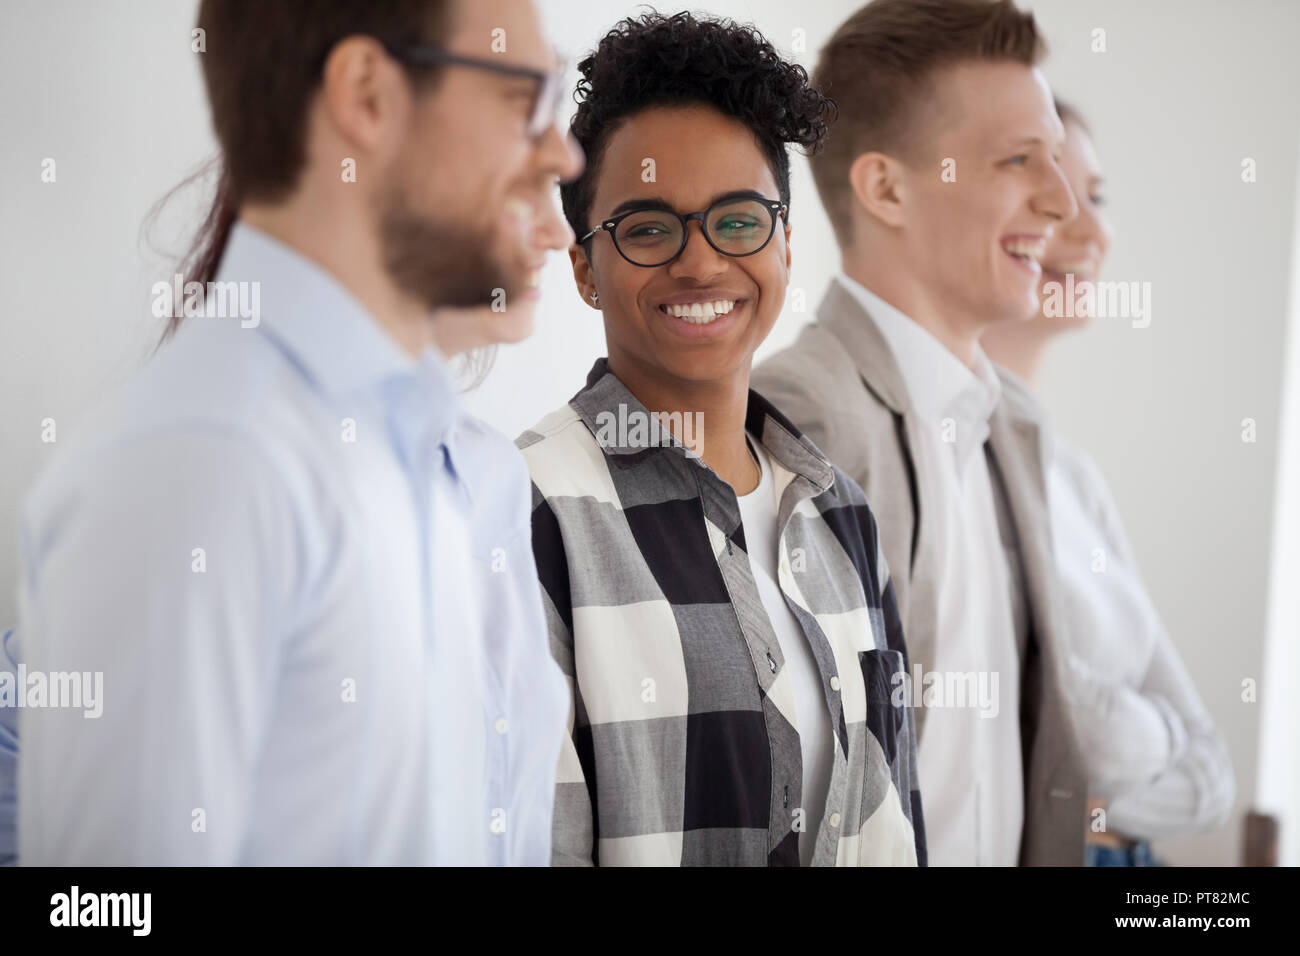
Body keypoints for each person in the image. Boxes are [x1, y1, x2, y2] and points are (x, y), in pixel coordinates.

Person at [16, 0, 582, 865]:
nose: (563, 155)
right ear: (366, 94)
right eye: (524, 100)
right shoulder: (201, 463)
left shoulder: (416, 461)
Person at [520, 11, 925, 867]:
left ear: (784, 240)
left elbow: (893, 827)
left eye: (738, 220)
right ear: (586, 267)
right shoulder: (530, 509)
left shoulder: (840, 516)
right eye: (648, 228)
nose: (701, 264)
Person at [752, 0, 1088, 865]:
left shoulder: (1013, 424)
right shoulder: (799, 417)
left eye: (1057, 161)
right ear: (887, 187)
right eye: (1021, 161)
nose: (1060, 201)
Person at [981, 101, 1235, 866]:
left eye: (1096, 197)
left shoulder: (1074, 476)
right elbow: (1066, 734)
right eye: (1053, 199)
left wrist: (1088, 809)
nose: (1092, 233)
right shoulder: (944, 455)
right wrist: (1094, 791)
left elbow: (1210, 771)